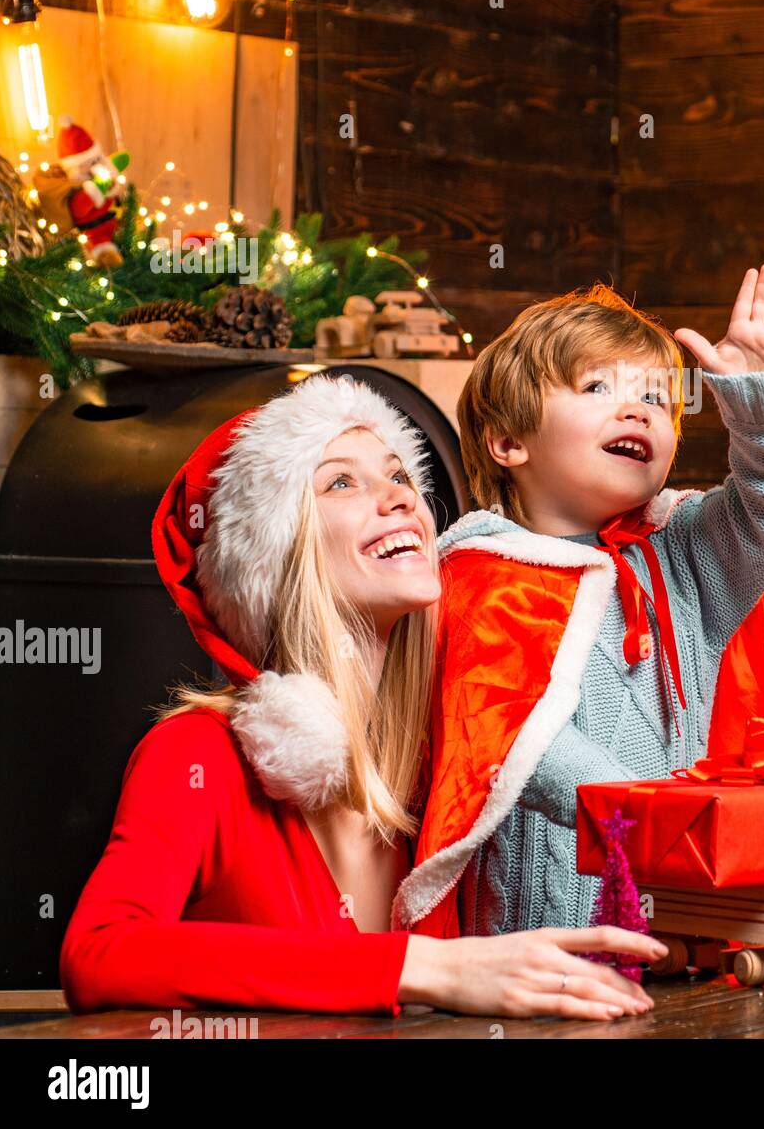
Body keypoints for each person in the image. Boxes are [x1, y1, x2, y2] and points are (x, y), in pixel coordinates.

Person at [59, 374, 664, 1019]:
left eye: (400, 474)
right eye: (341, 482)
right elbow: (99, 956)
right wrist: (420, 968)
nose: (398, 498)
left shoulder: (445, 773)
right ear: (278, 555)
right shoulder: (196, 755)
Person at [395, 264, 764, 938]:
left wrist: (754, 399)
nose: (638, 409)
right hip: (541, 939)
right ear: (509, 442)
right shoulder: (483, 572)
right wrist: (648, 815)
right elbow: (515, 739)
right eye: (597, 387)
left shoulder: (686, 560)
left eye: (657, 396)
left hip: (678, 922)